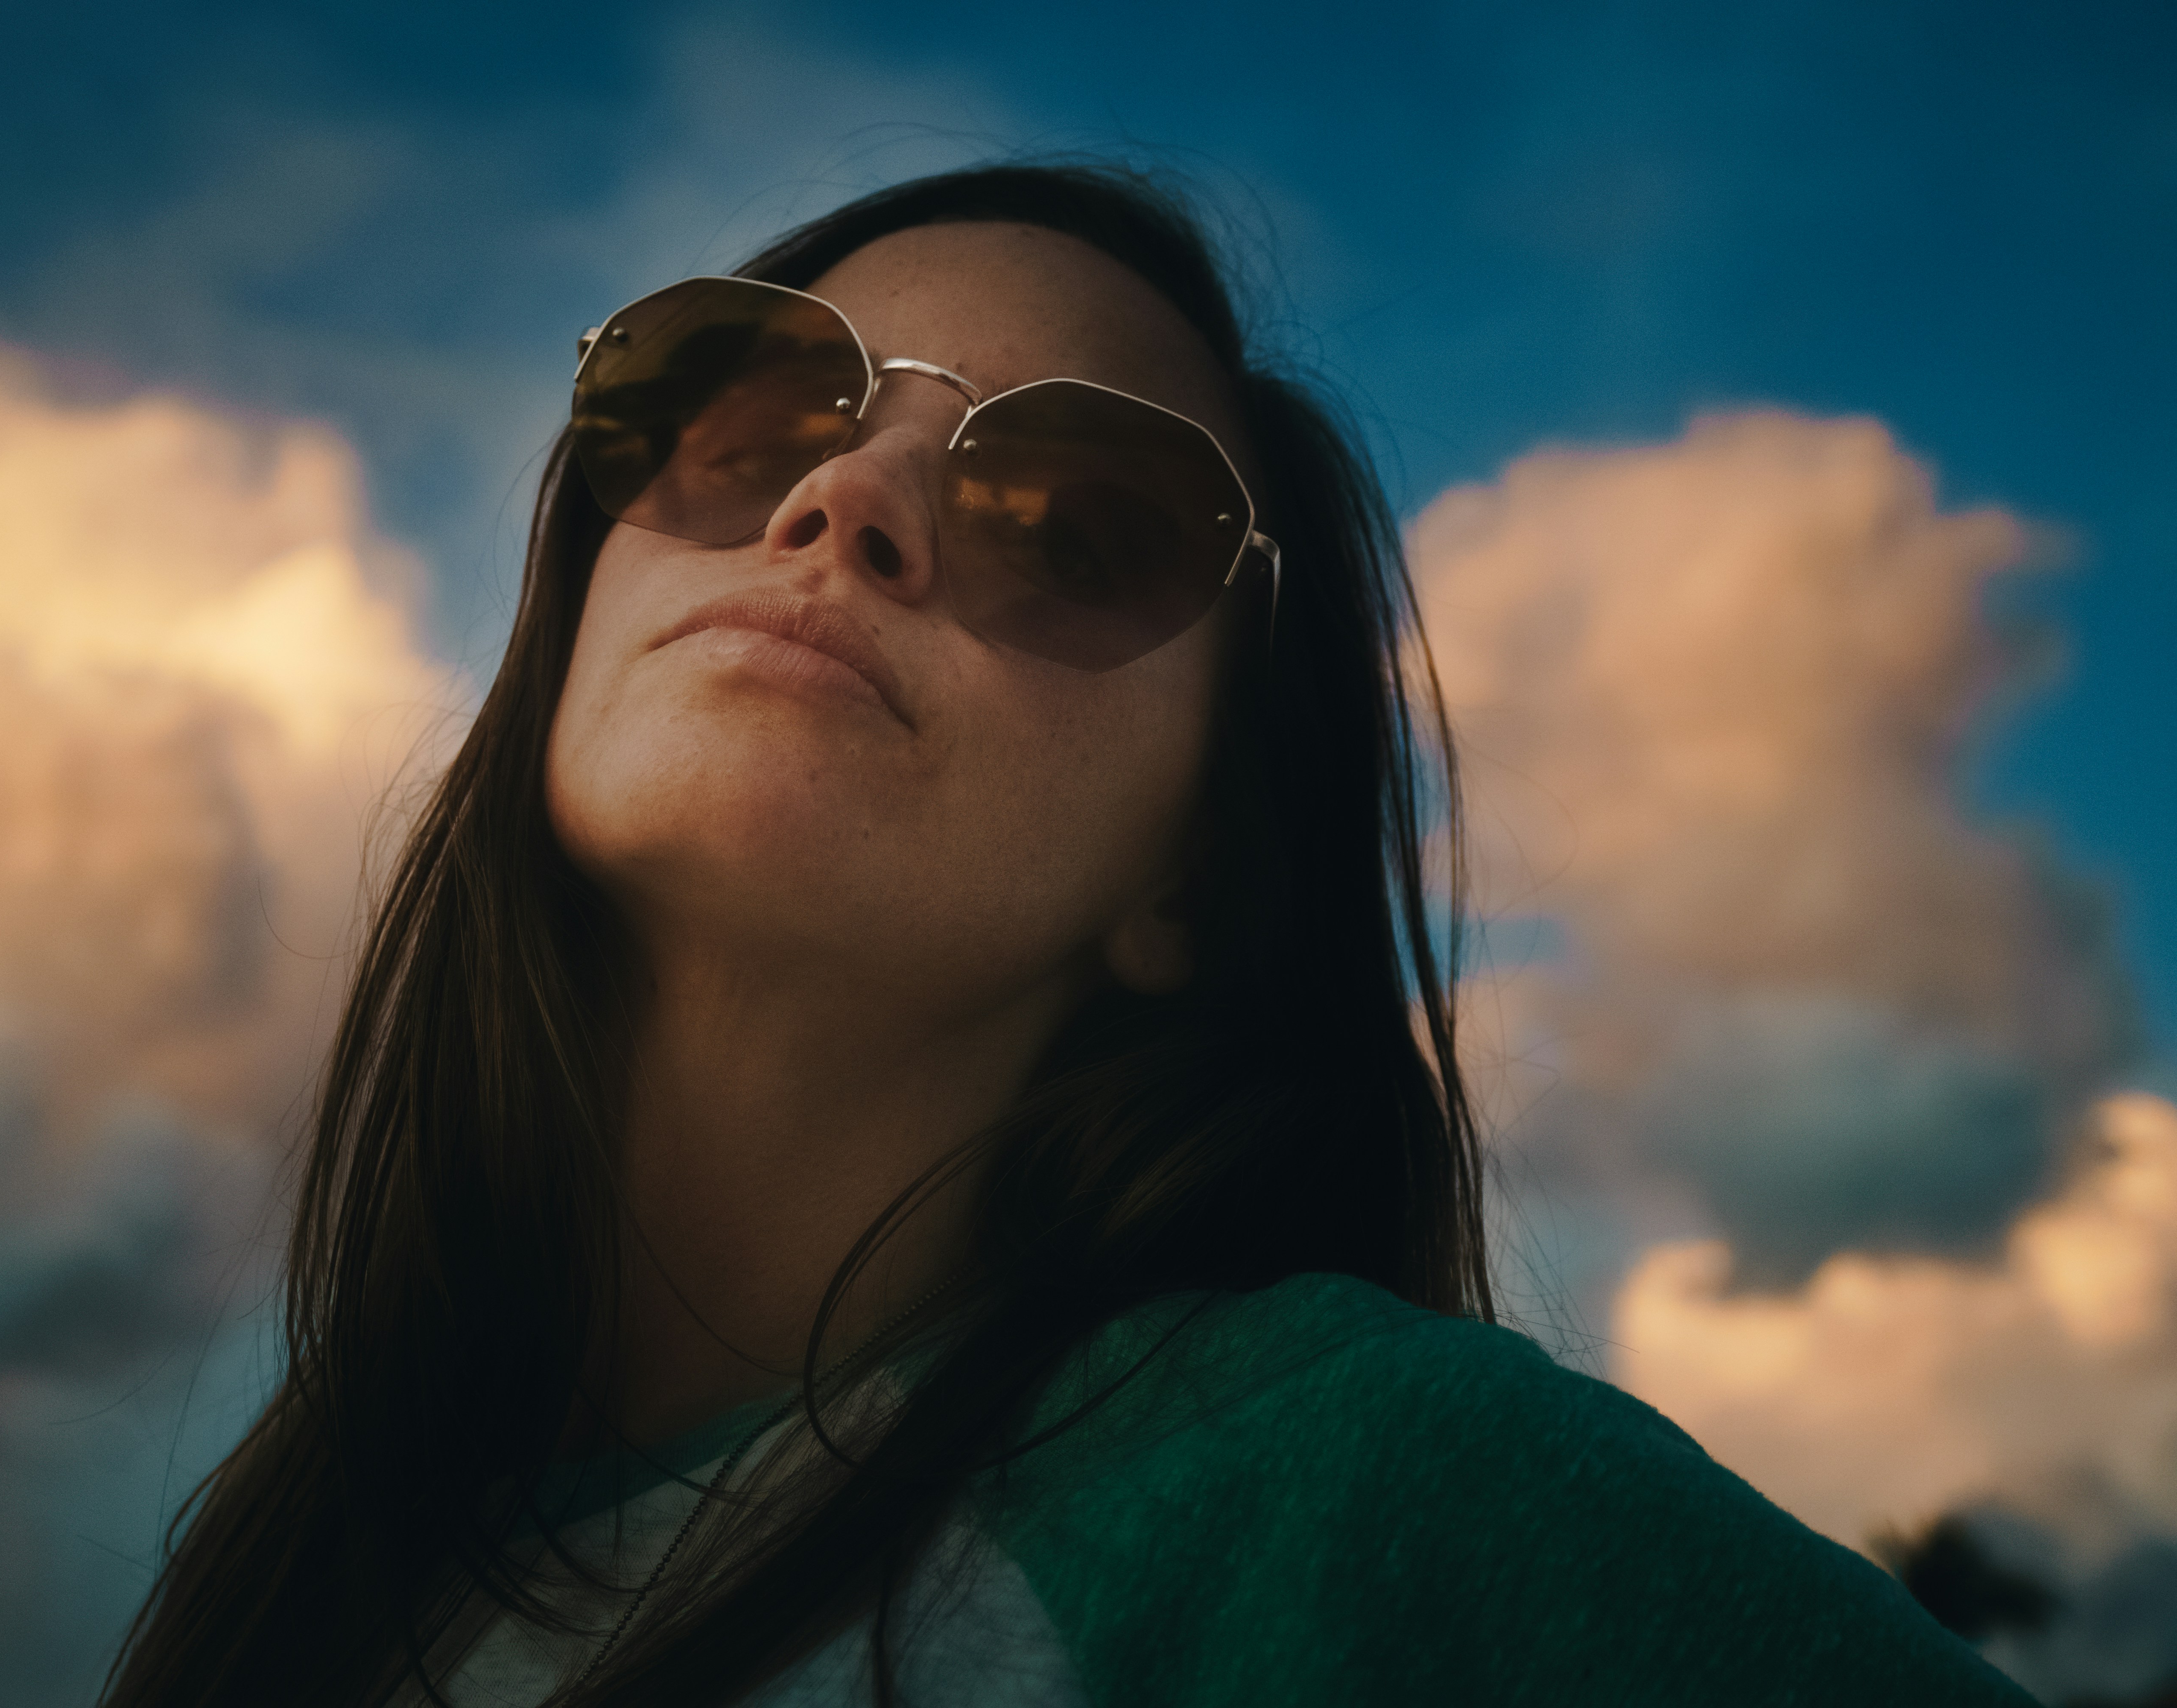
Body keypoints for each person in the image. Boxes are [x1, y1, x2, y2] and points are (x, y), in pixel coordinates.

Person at [100, 164, 2033, 1707]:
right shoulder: (295, 1580)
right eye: (748, 408)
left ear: (1191, 877)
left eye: (1082, 524)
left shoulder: (1360, 1486)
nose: (847, 496)